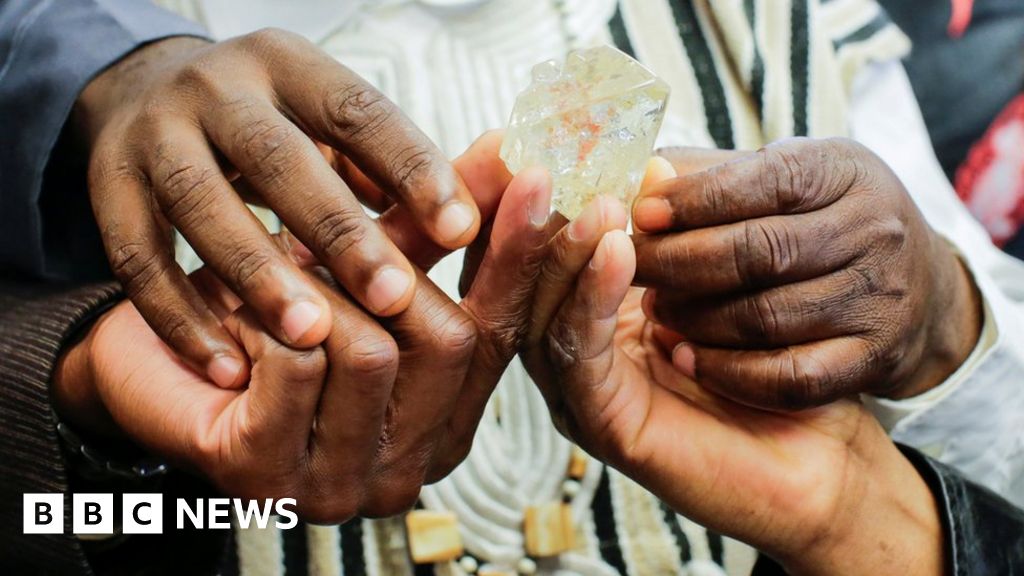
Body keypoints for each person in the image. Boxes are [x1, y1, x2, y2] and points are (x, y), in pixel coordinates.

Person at [1, 0, 1022, 575]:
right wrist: (102, 451)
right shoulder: (90, 68)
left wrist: (940, 319)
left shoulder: (783, 25)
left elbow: (1000, 468)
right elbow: (64, 525)